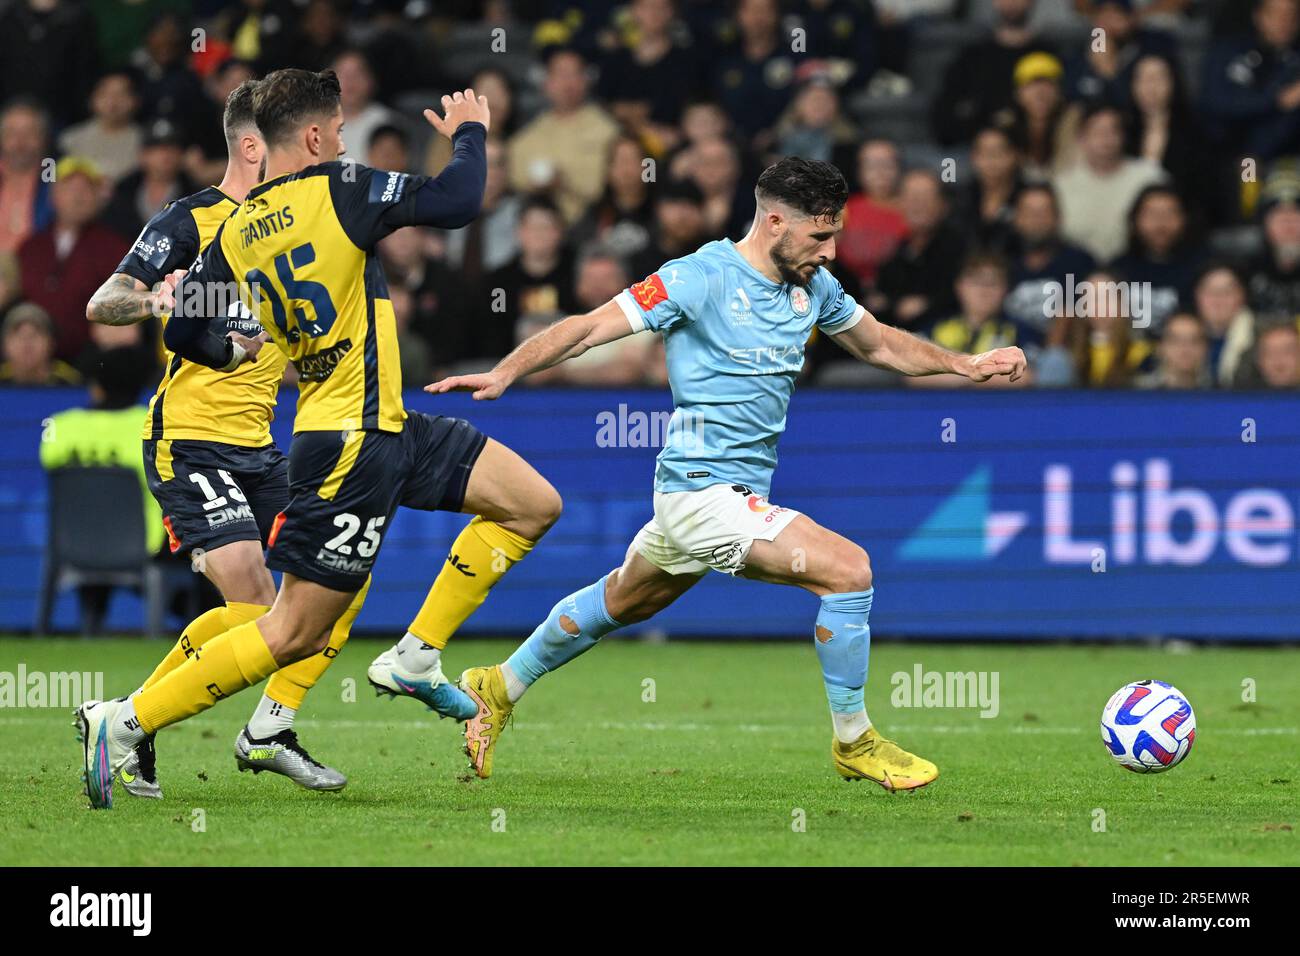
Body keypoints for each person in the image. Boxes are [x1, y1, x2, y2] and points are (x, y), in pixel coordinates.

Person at [430, 157, 1026, 786]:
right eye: (820, 236)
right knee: (849, 573)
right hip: (699, 494)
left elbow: (878, 343)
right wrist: (508, 371)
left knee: (620, 601)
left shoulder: (813, 286)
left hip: (727, 495)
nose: (831, 251)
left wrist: (964, 364)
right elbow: (588, 329)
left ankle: (498, 685)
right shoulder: (698, 277)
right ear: (774, 223)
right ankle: (854, 739)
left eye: (835, 236)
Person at [76, 71, 562, 812]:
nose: (343, 141)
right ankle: (126, 722)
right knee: (295, 629)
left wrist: (236, 351)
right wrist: (470, 130)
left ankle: (415, 654)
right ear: (312, 138)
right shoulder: (337, 188)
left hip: (389, 423)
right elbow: (460, 200)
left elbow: (179, 329)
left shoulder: (237, 232)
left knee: (532, 503)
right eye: (337, 130)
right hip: (346, 440)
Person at [87, 80, 366, 797]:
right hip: (188, 439)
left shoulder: (294, 224)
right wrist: (158, 299)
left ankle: (162, 722)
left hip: (264, 445)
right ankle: (141, 723)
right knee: (253, 598)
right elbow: (103, 301)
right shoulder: (191, 220)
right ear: (252, 147)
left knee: (328, 586)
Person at [0, 302, 81, 385]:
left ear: (51, 343)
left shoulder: (73, 383)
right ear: (5, 345)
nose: (27, 343)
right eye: (19, 336)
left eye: (35, 335)